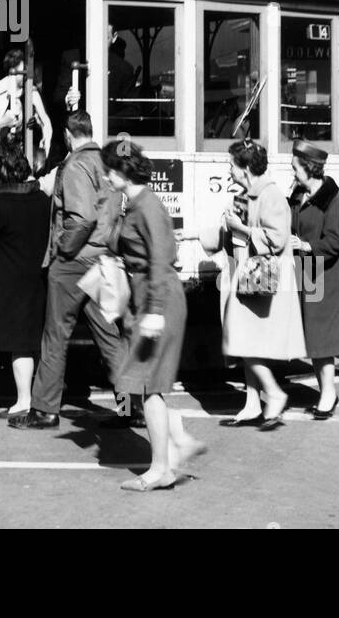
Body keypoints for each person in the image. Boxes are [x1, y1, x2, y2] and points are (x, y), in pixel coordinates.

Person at [99, 137, 205, 491]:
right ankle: (172, 450)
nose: (105, 178)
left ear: (122, 172)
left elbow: (161, 259)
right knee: (149, 385)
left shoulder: (147, 207)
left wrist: (155, 311)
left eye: (109, 172)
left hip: (158, 299)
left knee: (149, 386)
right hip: (149, 298)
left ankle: (161, 469)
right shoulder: (136, 203)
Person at [12, 109, 127, 431]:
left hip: (75, 263)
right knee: (110, 338)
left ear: (66, 134)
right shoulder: (107, 163)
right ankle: (130, 406)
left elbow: (81, 218)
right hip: (102, 260)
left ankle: (46, 409)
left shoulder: (75, 165)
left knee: (55, 335)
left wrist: (63, 249)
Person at [214, 139, 306, 429]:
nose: (229, 171)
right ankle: (253, 403)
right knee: (246, 338)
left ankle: (275, 394)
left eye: (231, 164)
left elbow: (277, 238)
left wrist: (240, 228)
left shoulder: (271, 195)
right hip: (254, 276)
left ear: (245, 168)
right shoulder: (252, 194)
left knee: (241, 337)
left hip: (264, 277)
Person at [0, 137, 50, 420]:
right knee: (31, 343)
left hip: (7, 282)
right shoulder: (41, 199)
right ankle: (33, 397)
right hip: (35, 278)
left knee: (18, 346)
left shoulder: (2, 202)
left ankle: (23, 401)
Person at [287, 140, 339, 419]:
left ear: (309, 168)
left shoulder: (331, 199)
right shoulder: (299, 194)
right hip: (309, 273)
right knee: (314, 336)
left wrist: (304, 246)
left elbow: (337, 240)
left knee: (322, 337)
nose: (293, 173)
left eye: (296, 168)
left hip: (327, 275)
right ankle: (326, 390)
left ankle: (328, 393)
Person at [0, 50, 52, 154]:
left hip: (22, 153)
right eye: (23, 71)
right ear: (12, 71)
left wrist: (45, 134)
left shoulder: (31, 91)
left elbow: (45, 121)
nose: (27, 74)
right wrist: (2, 123)